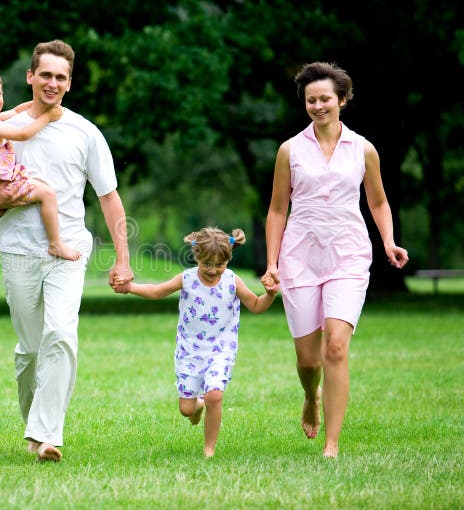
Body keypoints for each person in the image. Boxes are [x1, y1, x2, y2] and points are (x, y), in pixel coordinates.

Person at [0, 40, 134, 462]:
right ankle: (35, 427)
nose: (52, 82)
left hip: (70, 251)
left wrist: (122, 257)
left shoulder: (86, 133)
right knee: (30, 348)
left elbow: (110, 198)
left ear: (69, 82)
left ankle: (47, 435)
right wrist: (1, 201)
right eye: (45, 74)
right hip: (17, 249)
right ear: (30, 76)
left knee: (61, 335)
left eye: (60, 76)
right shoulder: (3, 126)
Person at [265, 61, 409, 458]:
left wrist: (389, 242)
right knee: (309, 361)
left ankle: (332, 443)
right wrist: (273, 263)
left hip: (348, 254)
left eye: (325, 98)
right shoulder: (289, 151)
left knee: (337, 347)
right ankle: (310, 396)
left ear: (342, 100)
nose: (318, 106)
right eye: (311, 100)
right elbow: (277, 210)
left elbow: (377, 201)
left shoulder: (364, 149)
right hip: (300, 258)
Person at [116, 227, 279, 457]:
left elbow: (255, 305)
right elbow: (156, 291)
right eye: (207, 264)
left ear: (228, 260)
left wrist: (270, 295)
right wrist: (129, 288)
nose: (213, 270)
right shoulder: (187, 279)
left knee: (215, 394)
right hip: (189, 351)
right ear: (196, 257)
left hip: (221, 349)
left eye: (219, 265)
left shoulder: (232, 281)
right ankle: (198, 405)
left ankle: (209, 450)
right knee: (186, 409)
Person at [0, 67, 81, 261]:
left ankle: (1, 206)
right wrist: (47, 117)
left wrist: (41, 103)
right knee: (47, 194)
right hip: (2, 184)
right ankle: (56, 244)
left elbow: (15, 111)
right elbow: (23, 134)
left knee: (37, 191)